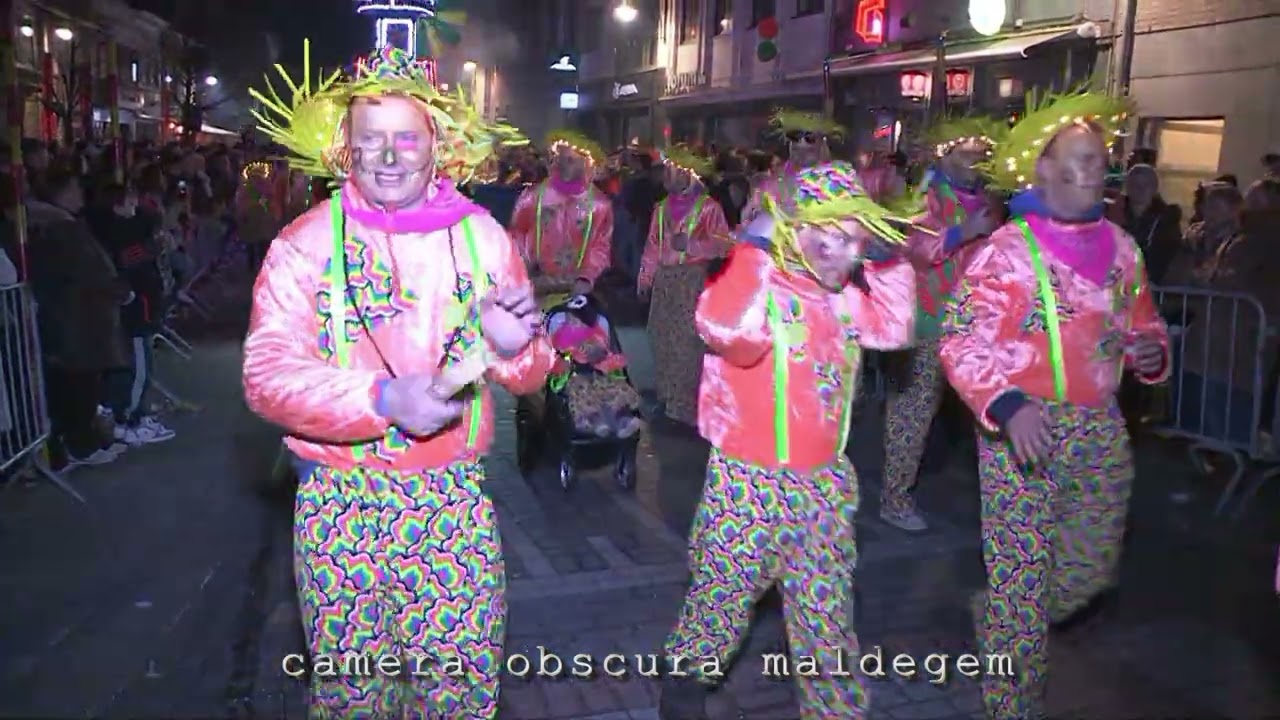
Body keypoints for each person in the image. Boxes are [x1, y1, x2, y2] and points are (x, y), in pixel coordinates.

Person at [242, 45, 551, 718]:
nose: (387, 156)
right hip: (340, 505)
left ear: (436, 147)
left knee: (460, 694)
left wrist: (514, 346)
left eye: (405, 137)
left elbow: (529, 378)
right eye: (369, 140)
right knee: (354, 696)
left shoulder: (482, 239)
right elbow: (265, 376)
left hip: (452, 504)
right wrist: (379, 400)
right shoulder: (307, 242)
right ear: (345, 149)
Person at [938, 91, 1170, 720]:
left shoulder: (1123, 247)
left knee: (1090, 571)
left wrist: (1149, 352)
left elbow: (1144, 323)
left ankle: (1002, 615)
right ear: (1040, 170)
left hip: (1101, 427)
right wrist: (1008, 404)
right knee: (1021, 583)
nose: (1095, 170)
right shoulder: (1007, 253)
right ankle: (1012, 698)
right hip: (1024, 432)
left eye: (1100, 160)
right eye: (1080, 160)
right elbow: (961, 341)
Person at [658, 161, 917, 720]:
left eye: (852, 240)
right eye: (826, 235)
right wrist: (752, 249)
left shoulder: (846, 299)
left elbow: (894, 329)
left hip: (823, 486)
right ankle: (682, 689)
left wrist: (887, 258)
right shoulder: (762, 287)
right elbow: (727, 330)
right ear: (791, 232)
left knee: (827, 626)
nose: (840, 252)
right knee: (719, 605)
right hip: (745, 486)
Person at [880, 116, 1004, 532]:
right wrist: (963, 232)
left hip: (979, 325)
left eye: (981, 156)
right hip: (930, 321)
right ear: (946, 157)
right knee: (912, 414)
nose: (975, 164)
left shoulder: (991, 201)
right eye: (967, 155)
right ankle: (894, 499)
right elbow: (914, 248)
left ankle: (1008, 511)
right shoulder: (926, 196)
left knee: (994, 415)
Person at [25, 170, 131, 468]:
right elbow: (90, 273)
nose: (80, 194)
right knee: (78, 387)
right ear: (62, 193)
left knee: (73, 386)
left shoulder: (51, 227)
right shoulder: (63, 230)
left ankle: (76, 444)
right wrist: (119, 290)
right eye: (74, 188)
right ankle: (80, 446)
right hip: (78, 319)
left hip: (70, 318)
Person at [637, 145, 732, 426]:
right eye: (668, 171)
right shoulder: (661, 208)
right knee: (661, 337)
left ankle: (685, 405)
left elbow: (724, 245)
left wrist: (691, 246)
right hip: (665, 281)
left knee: (688, 344)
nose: (670, 176)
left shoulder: (710, 208)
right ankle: (667, 397)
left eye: (676, 171)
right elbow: (652, 247)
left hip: (692, 282)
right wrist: (645, 279)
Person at [97, 182, 176, 445]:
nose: (135, 208)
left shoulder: (129, 230)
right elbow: (125, 262)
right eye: (130, 203)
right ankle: (130, 419)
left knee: (139, 364)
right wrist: (152, 247)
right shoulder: (116, 234)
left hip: (141, 304)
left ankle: (134, 414)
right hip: (135, 309)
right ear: (118, 205)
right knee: (138, 366)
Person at [508, 129, 614, 304]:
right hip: (536, 287)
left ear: (586, 164)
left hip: (577, 291)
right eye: (559, 158)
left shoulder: (599, 204)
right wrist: (523, 271)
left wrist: (586, 277)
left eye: (570, 160)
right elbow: (517, 235)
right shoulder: (533, 197)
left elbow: (600, 247)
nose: (562, 165)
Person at [548, 295, 642, 437]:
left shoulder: (596, 335)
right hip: (573, 374)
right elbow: (557, 352)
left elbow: (604, 352)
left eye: (576, 320)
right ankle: (594, 421)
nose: (570, 322)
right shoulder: (562, 334)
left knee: (612, 387)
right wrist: (568, 354)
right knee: (580, 390)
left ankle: (623, 419)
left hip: (598, 372)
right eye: (569, 318)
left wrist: (595, 352)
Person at [741, 109, 843, 223]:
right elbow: (750, 221)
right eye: (795, 137)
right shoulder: (772, 184)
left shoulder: (841, 180)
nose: (801, 143)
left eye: (810, 138)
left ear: (822, 142)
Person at [1110, 164, 1182, 284]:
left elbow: (1166, 253)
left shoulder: (1166, 219)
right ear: (1127, 187)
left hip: (1151, 284)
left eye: (1145, 185)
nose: (1140, 189)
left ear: (1154, 188)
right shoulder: (1113, 213)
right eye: (1135, 184)